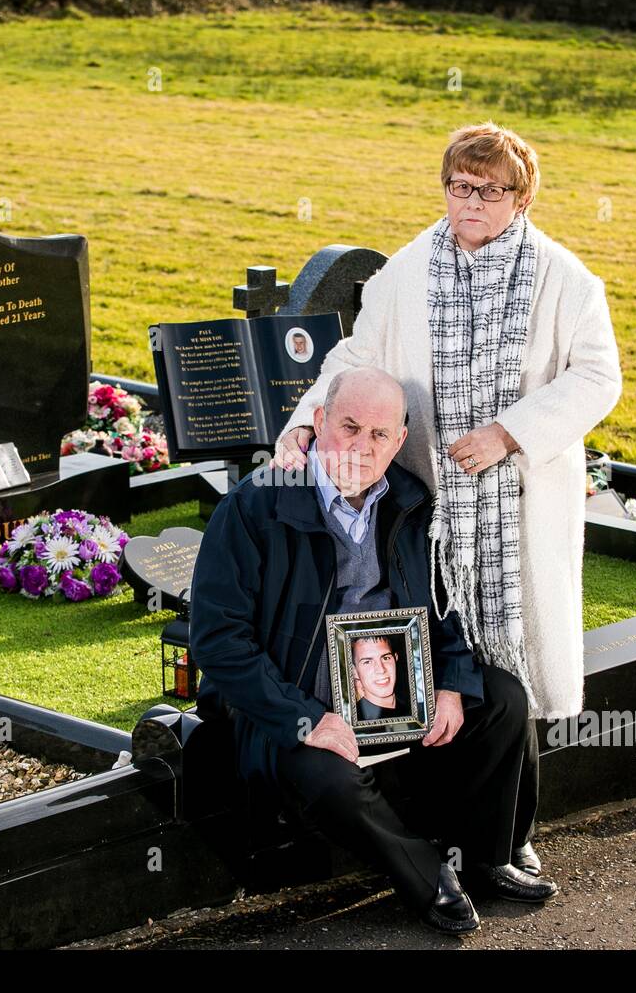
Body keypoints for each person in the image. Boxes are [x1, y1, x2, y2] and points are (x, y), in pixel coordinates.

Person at [273, 121, 623, 880]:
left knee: (514, 675)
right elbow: (356, 359)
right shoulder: (406, 272)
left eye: (487, 189)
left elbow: (598, 377)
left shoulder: (565, 280)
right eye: (457, 186)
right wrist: (307, 419)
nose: (468, 201)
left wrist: (511, 432)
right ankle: (457, 830)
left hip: (518, 510)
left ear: (521, 197)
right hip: (430, 516)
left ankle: (513, 836)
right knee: (460, 680)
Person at [190, 367, 556, 935]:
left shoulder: (411, 503)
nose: (361, 447)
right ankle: (429, 878)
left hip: (391, 686)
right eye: (349, 427)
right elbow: (218, 641)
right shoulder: (254, 507)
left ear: (399, 442)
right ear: (319, 421)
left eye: (378, 435)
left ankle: (488, 854)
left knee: (503, 698)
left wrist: (453, 683)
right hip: (292, 698)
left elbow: (445, 605)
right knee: (328, 776)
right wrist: (304, 718)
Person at [351, 635, 406, 720]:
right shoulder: (351, 721)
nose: (381, 669)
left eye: (386, 658)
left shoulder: (415, 711)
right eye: (367, 662)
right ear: (354, 671)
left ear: (395, 658)